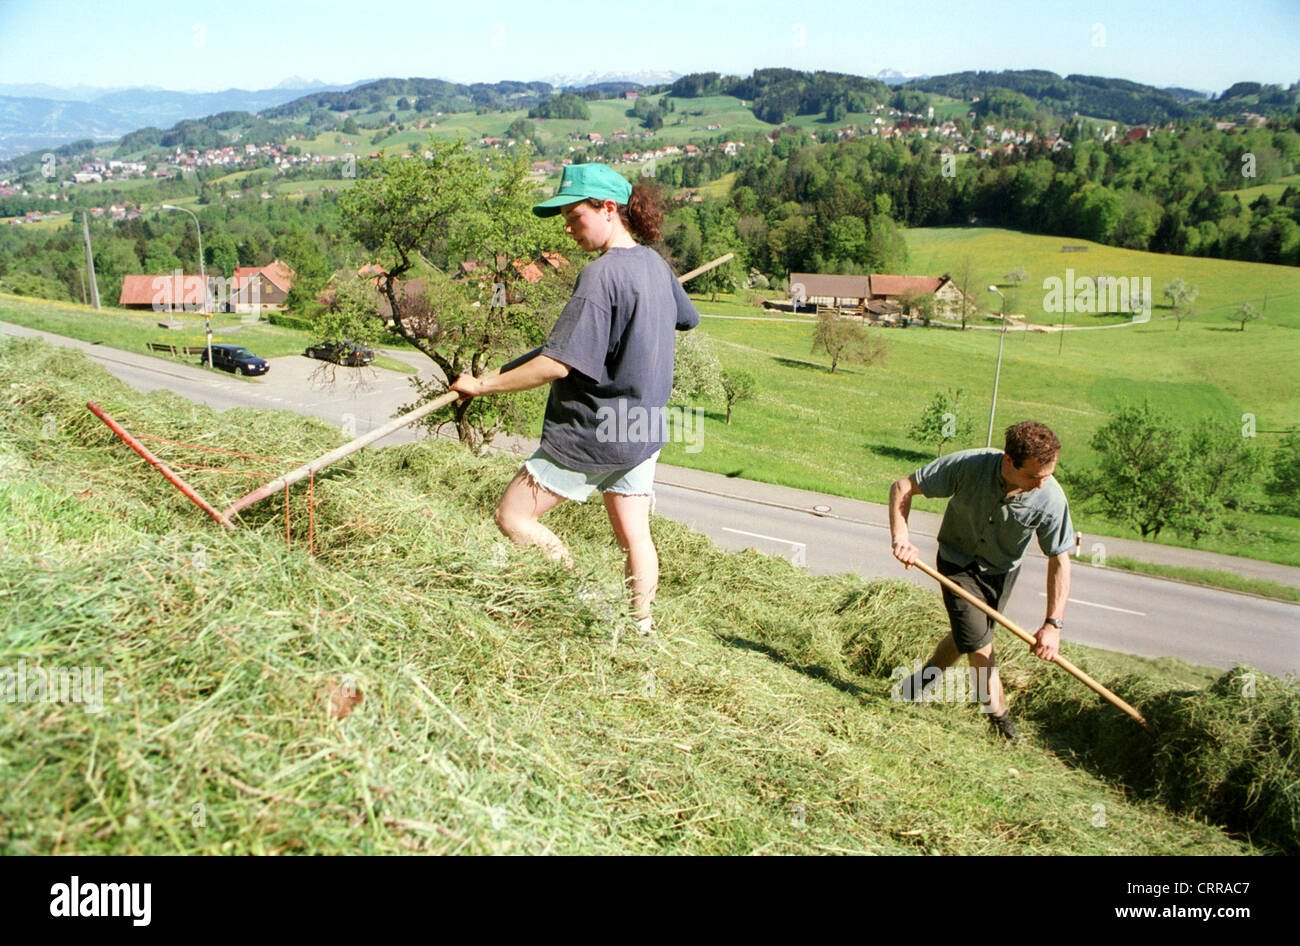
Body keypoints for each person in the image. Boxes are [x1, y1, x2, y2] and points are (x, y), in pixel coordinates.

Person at [450, 163, 700, 634]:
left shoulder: (600, 276)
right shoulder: (655, 265)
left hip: (596, 431)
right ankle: (641, 629)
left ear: (609, 209)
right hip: (641, 429)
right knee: (634, 536)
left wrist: (482, 386)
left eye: (573, 216)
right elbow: (686, 319)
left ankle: (582, 595)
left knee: (512, 515)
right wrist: (650, 299)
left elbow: (557, 365)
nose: (568, 230)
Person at [888, 421, 1074, 741]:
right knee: (980, 645)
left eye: (1047, 475)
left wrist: (1052, 625)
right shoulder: (968, 466)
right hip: (956, 563)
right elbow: (903, 486)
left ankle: (915, 687)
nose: (1041, 484)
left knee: (969, 635)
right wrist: (901, 538)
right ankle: (1000, 724)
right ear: (1008, 462)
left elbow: (1059, 559)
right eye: (1033, 476)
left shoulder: (1050, 498)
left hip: (1002, 574)